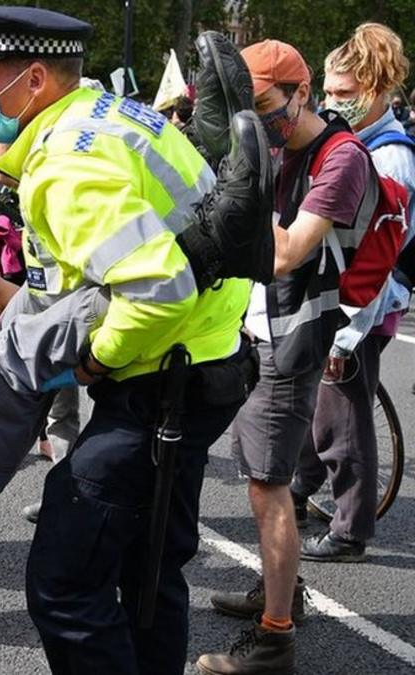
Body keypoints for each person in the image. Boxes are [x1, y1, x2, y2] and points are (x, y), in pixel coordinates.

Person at [0, 6, 263, 673]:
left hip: (157, 384)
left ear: (33, 79)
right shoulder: (115, 116)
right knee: (151, 567)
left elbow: (158, 287)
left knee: (64, 580)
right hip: (204, 360)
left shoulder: (67, 163)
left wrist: (94, 359)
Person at [199, 39, 377, 674]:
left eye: (265, 105)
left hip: (295, 332)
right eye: (244, 107)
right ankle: (284, 592)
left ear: (302, 93)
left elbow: (284, 253)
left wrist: (239, 184)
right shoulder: (269, 143)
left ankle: (275, 639)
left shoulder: (342, 155)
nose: (256, 119)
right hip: (256, 327)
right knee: (257, 474)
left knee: (269, 486)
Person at [289, 23, 415, 564]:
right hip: (342, 298)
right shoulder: (356, 143)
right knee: (326, 406)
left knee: (344, 416)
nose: (333, 103)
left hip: (362, 304)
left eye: (345, 93)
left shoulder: (388, 155)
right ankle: (298, 490)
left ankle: (349, 530)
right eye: (330, 93)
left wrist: (349, 326)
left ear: (379, 89)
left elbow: (384, 250)